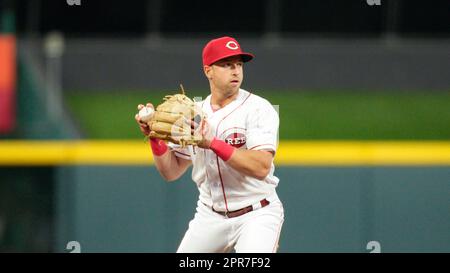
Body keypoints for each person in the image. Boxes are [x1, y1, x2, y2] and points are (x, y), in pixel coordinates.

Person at [135, 36, 284, 253]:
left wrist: (212, 142)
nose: (235, 71)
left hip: (256, 214)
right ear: (208, 71)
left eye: (239, 64)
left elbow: (261, 167)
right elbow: (171, 171)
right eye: (226, 64)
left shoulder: (259, 108)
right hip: (209, 216)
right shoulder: (193, 112)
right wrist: (155, 138)